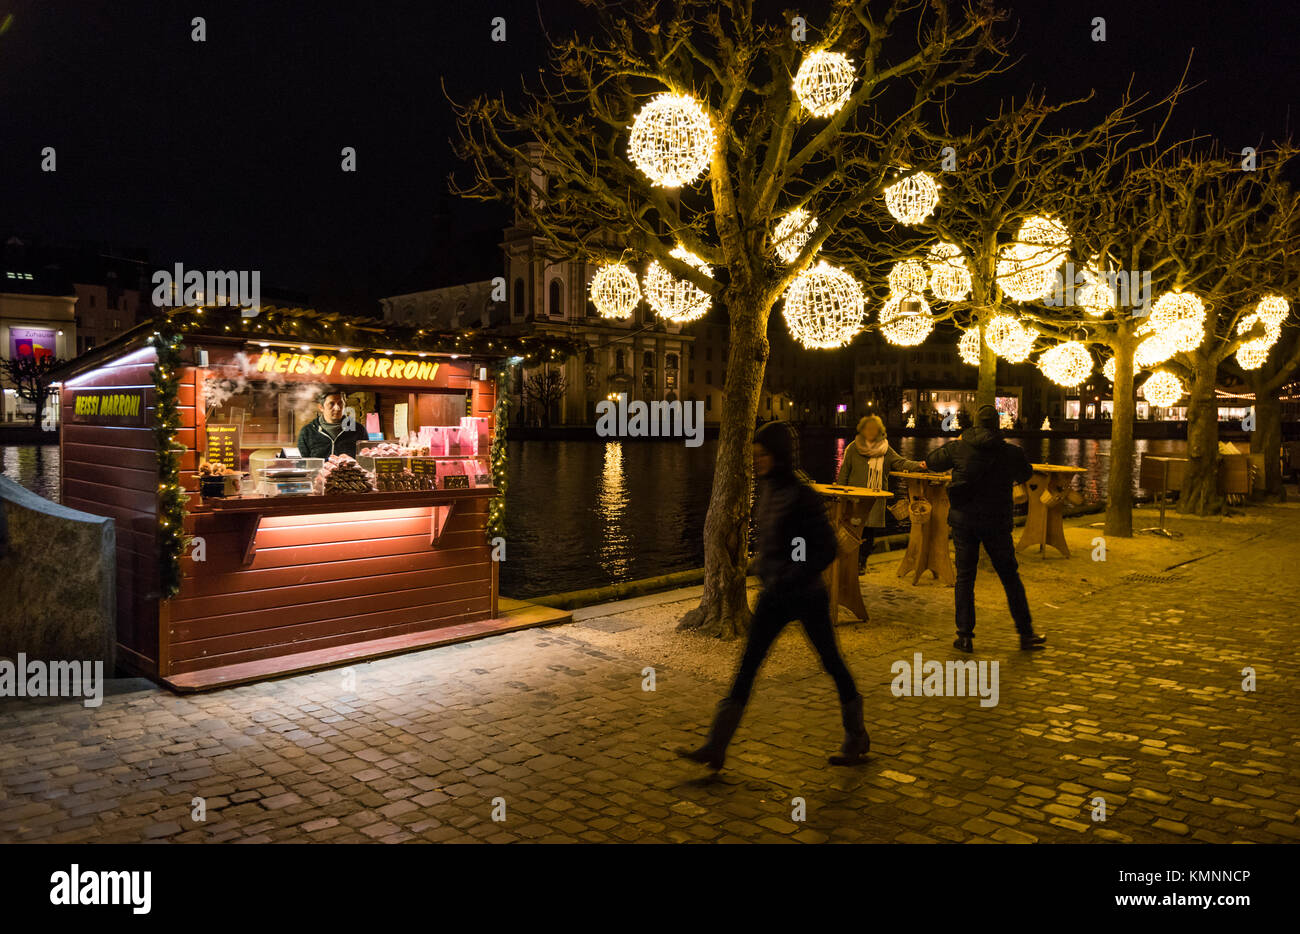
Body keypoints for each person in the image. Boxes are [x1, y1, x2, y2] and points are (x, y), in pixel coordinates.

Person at [678, 421, 870, 771]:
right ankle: (716, 746)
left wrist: (793, 570)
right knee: (747, 667)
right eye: (754, 455)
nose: (757, 462)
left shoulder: (802, 495)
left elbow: (825, 547)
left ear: (778, 456)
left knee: (832, 663)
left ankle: (856, 735)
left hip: (806, 595)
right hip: (775, 595)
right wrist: (765, 566)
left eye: (762, 455)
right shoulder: (768, 488)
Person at [922, 403, 1047, 654]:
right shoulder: (1010, 453)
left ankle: (965, 637)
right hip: (996, 522)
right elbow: (1026, 474)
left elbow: (931, 462)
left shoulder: (959, 448)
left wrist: (957, 444)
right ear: (997, 426)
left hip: (963, 521)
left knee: (965, 577)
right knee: (1010, 577)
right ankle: (1026, 634)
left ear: (975, 424)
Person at [836, 414, 924, 573]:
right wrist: (840, 495)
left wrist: (919, 465)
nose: (871, 431)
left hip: (874, 499)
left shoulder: (885, 449)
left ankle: (861, 563)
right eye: (867, 428)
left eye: (874, 429)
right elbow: (844, 473)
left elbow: (900, 462)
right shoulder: (853, 449)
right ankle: (851, 561)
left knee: (869, 532)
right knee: (852, 530)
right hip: (854, 498)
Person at [296, 387, 369, 458]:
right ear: (321, 407)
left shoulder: (359, 430)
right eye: (331, 404)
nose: (337, 408)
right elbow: (302, 463)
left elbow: (366, 459)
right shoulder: (308, 431)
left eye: (340, 403)